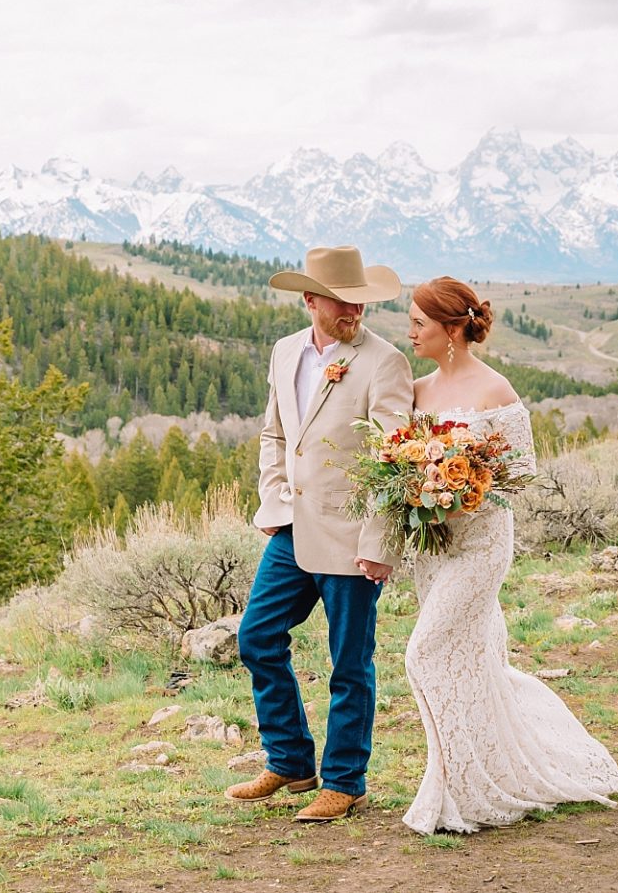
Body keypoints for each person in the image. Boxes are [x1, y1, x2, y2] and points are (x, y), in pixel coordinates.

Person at [401, 276, 618, 834]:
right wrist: (418, 489)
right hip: (435, 548)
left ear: (453, 330)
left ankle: (460, 788)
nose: (410, 331)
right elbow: (400, 462)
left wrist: (464, 491)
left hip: (480, 545)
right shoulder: (416, 392)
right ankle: (473, 774)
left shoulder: (496, 392)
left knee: (423, 654)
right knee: (471, 660)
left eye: (419, 323)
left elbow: (520, 474)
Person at [224, 246, 414, 822]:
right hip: (292, 529)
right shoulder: (285, 352)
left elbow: (394, 459)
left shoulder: (384, 362)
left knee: (348, 662)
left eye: (359, 300)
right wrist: (273, 501)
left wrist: (379, 542)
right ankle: (289, 761)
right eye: (341, 300)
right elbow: (275, 435)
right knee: (256, 637)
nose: (353, 309)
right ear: (311, 301)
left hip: (354, 538)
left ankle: (345, 781)